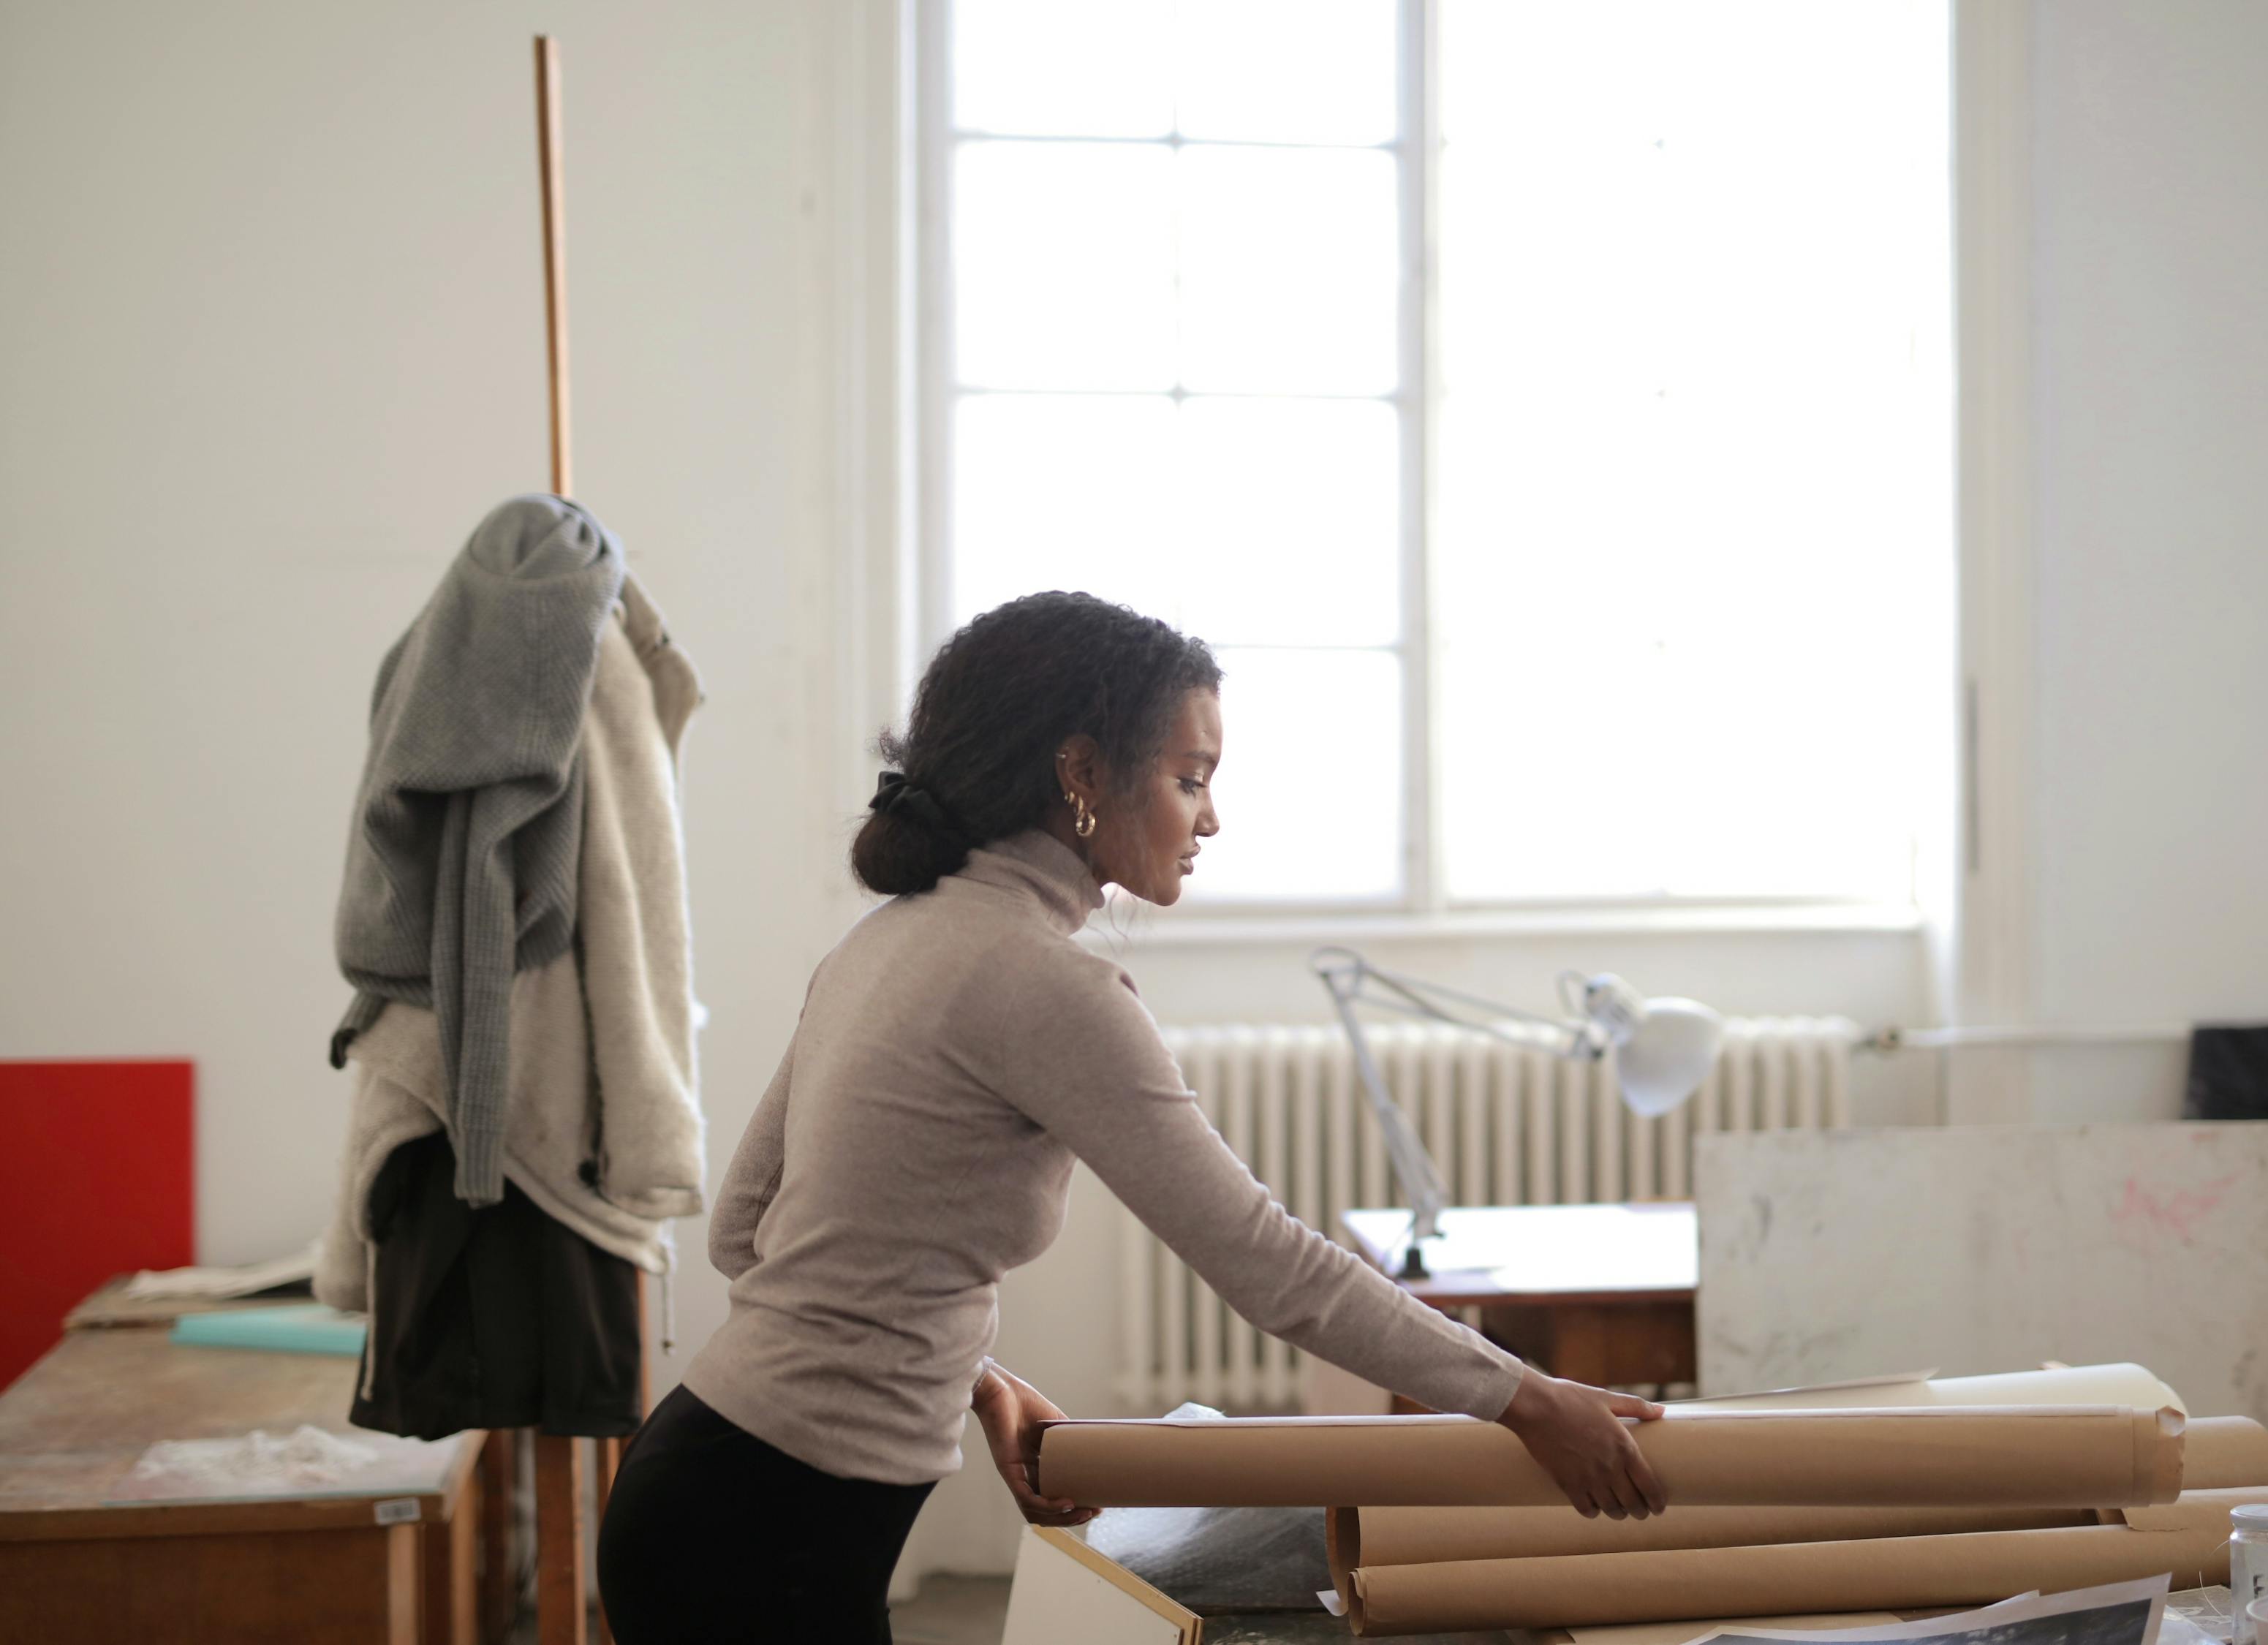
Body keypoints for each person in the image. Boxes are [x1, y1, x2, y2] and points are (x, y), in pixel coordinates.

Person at [597, 592, 1666, 1644]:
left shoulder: (885, 941)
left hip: (702, 1475)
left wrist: (979, 1381)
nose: (1211, 818)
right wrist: (1524, 1398)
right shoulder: (1044, 984)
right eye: (1190, 778)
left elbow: (745, 1231)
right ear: (1081, 772)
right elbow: (1268, 1264)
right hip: (777, 1536)